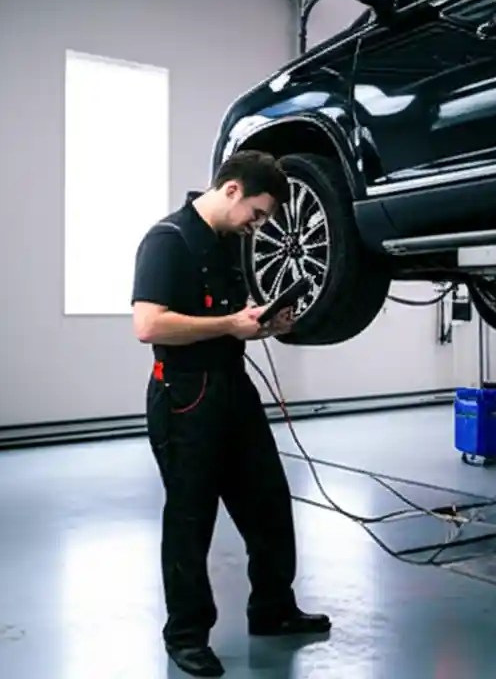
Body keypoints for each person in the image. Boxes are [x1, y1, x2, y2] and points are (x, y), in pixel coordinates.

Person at [130, 150, 331, 677]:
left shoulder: (233, 246)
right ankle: (186, 636)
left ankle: (272, 610)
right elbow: (149, 326)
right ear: (232, 190)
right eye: (258, 214)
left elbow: (233, 319)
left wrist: (265, 324)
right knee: (191, 517)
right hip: (184, 394)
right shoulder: (166, 240)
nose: (258, 226)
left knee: (269, 502)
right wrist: (228, 326)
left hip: (234, 388)